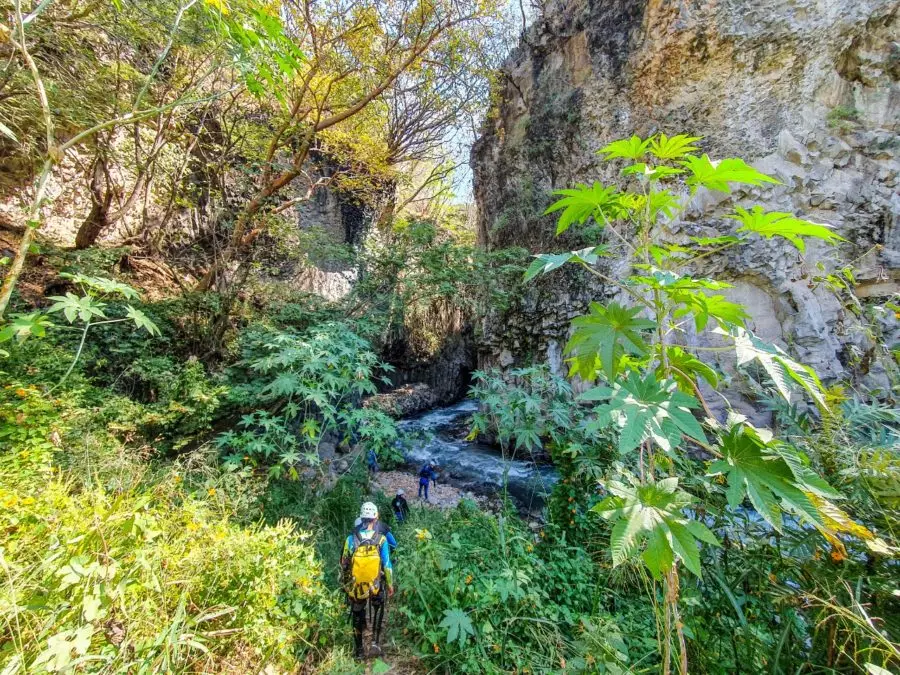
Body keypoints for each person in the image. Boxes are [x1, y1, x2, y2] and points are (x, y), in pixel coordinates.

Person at [341, 502, 394, 659]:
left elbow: (344, 562)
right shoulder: (381, 539)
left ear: (361, 517)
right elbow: (387, 565)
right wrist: (390, 584)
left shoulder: (351, 539)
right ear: (375, 518)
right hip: (376, 584)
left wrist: (346, 583)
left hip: (357, 585)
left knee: (357, 613)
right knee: (379, 606)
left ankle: (358, 651)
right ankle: (375, 643)